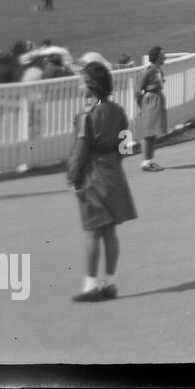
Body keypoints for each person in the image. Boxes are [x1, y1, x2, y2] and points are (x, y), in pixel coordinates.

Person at [66, 61, 137, 302]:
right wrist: (114, 160)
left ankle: (90, 285)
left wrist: (73, 176)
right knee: (110, 231)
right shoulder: (117, 110)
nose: (79, 86)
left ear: (91, 86)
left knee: (93, 232)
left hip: (92, 175)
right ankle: (110, 282)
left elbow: (80, 149)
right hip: (114, 173)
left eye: (81, 82)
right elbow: (126, 146)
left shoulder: (87, 115)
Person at [136, 46, 167, 172]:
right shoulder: (148, 71)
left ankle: (150, 160)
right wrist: (141, 105)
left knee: (153, 132)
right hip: (150, 101)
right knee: (148, 133)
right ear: (157, 57)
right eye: (163, 55)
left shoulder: (159, 70)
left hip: (158, 99)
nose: (165, 57)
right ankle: (146, 162)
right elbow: (138, 89)